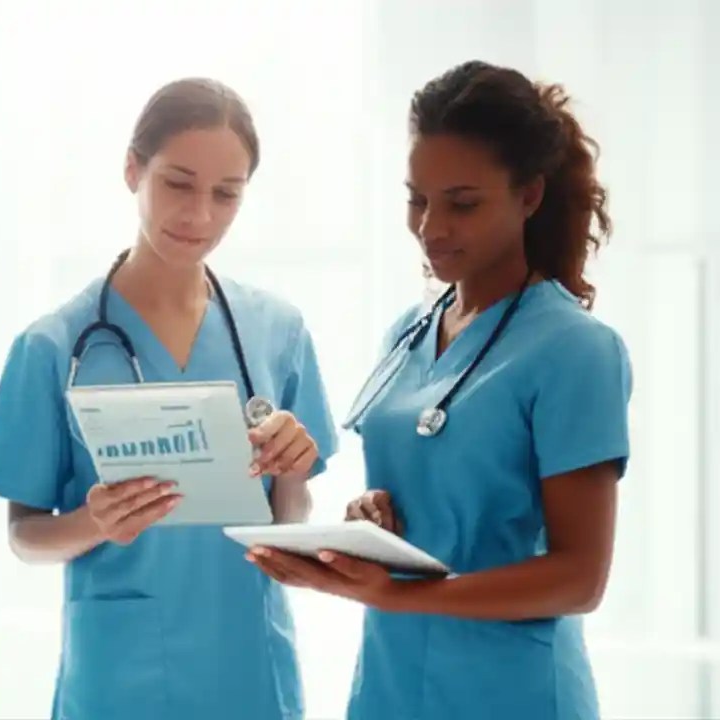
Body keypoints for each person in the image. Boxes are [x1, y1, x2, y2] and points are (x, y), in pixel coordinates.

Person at [248, 60, 631, 720]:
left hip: (511, 693)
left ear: (529, 196)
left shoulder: (575, 350)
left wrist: (397, 594)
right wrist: (373, 521)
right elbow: (432, 494)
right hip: (392, 684)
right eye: (416, 199)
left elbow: (580, 578)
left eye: (462, 203)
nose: (430, 227)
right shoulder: (408, 333)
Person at [0, 78, 339, 720]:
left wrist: (294, 469)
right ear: (132, 169)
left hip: (247, 665)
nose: (199, 215)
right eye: (177, 183)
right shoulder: (54, 345)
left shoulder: (277, 331)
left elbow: (289, 525)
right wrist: (94, 522)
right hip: (120, 676)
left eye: (226, 195)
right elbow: (25, 538)